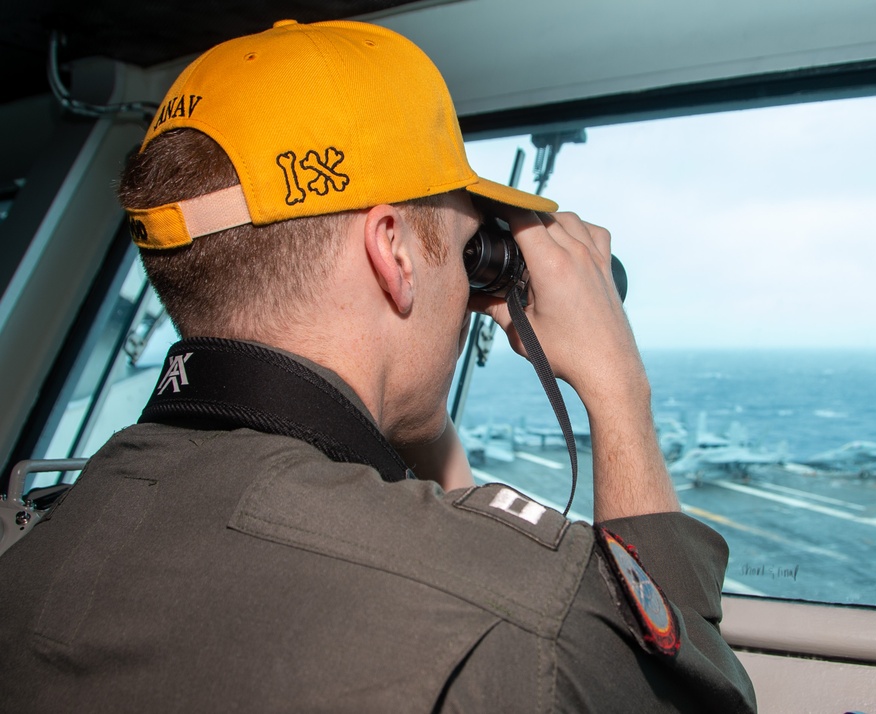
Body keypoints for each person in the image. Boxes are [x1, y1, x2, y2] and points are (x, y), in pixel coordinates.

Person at [0, 19, 756, 712]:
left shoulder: (36, 545)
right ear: (391, 250)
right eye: (467, 250)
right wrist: (617, 386)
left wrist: (412, 415)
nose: (466, 291)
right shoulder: (520, 625)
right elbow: (698, 694)